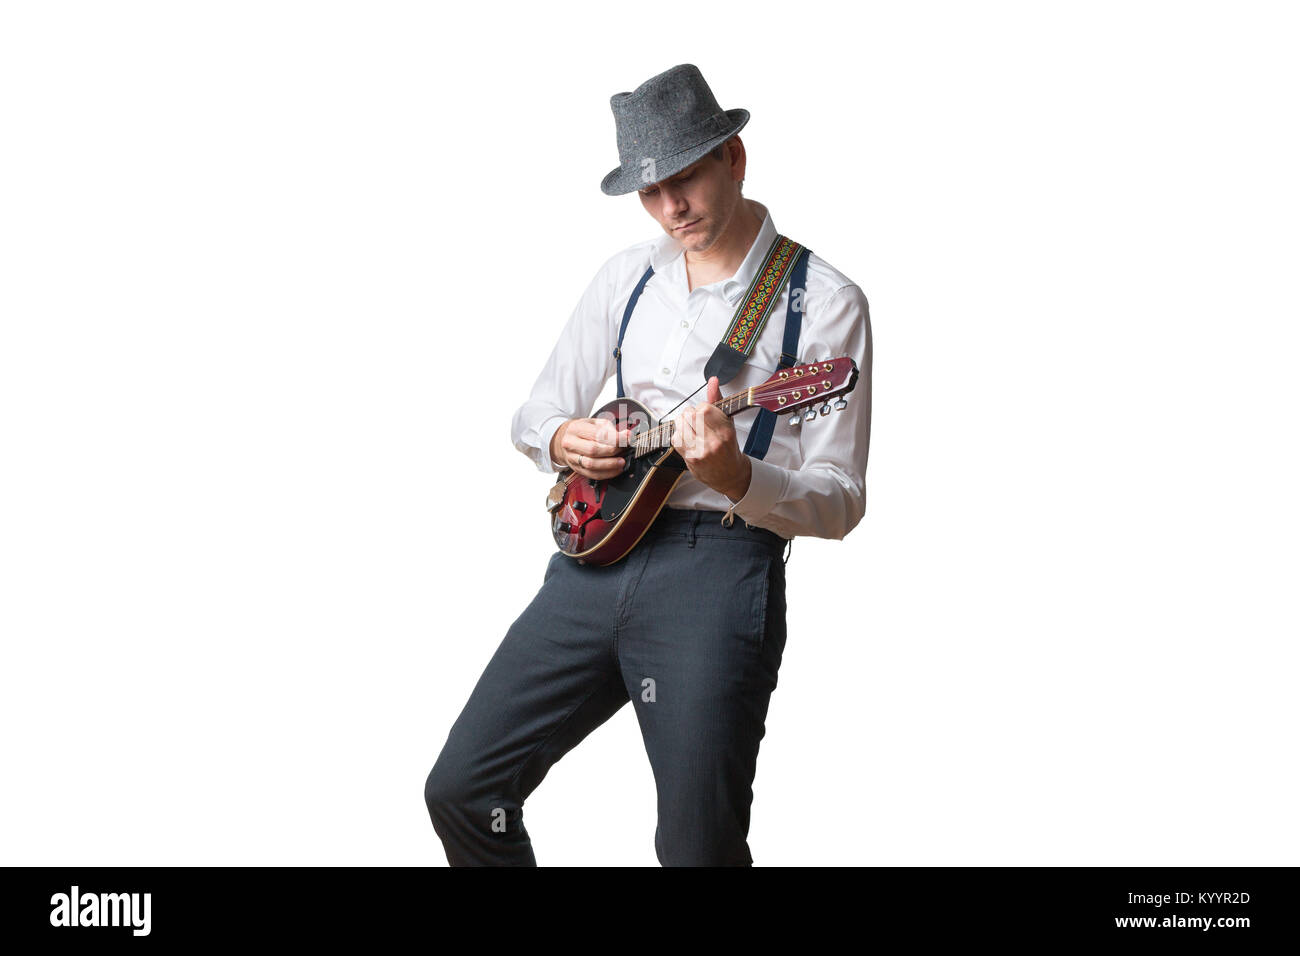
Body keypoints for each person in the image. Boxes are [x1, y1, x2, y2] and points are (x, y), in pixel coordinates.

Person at [424, 63, 872, 866]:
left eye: (687, 177)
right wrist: (563, 439)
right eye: (650, 189)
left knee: (697, 848)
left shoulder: (825, 302)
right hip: (592, 560)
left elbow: (841, 500)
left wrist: (741, 477)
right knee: (464, 788)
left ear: (735, 156)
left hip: (719, 568)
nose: (672, 207)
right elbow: (533, 412)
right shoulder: (625, 276)